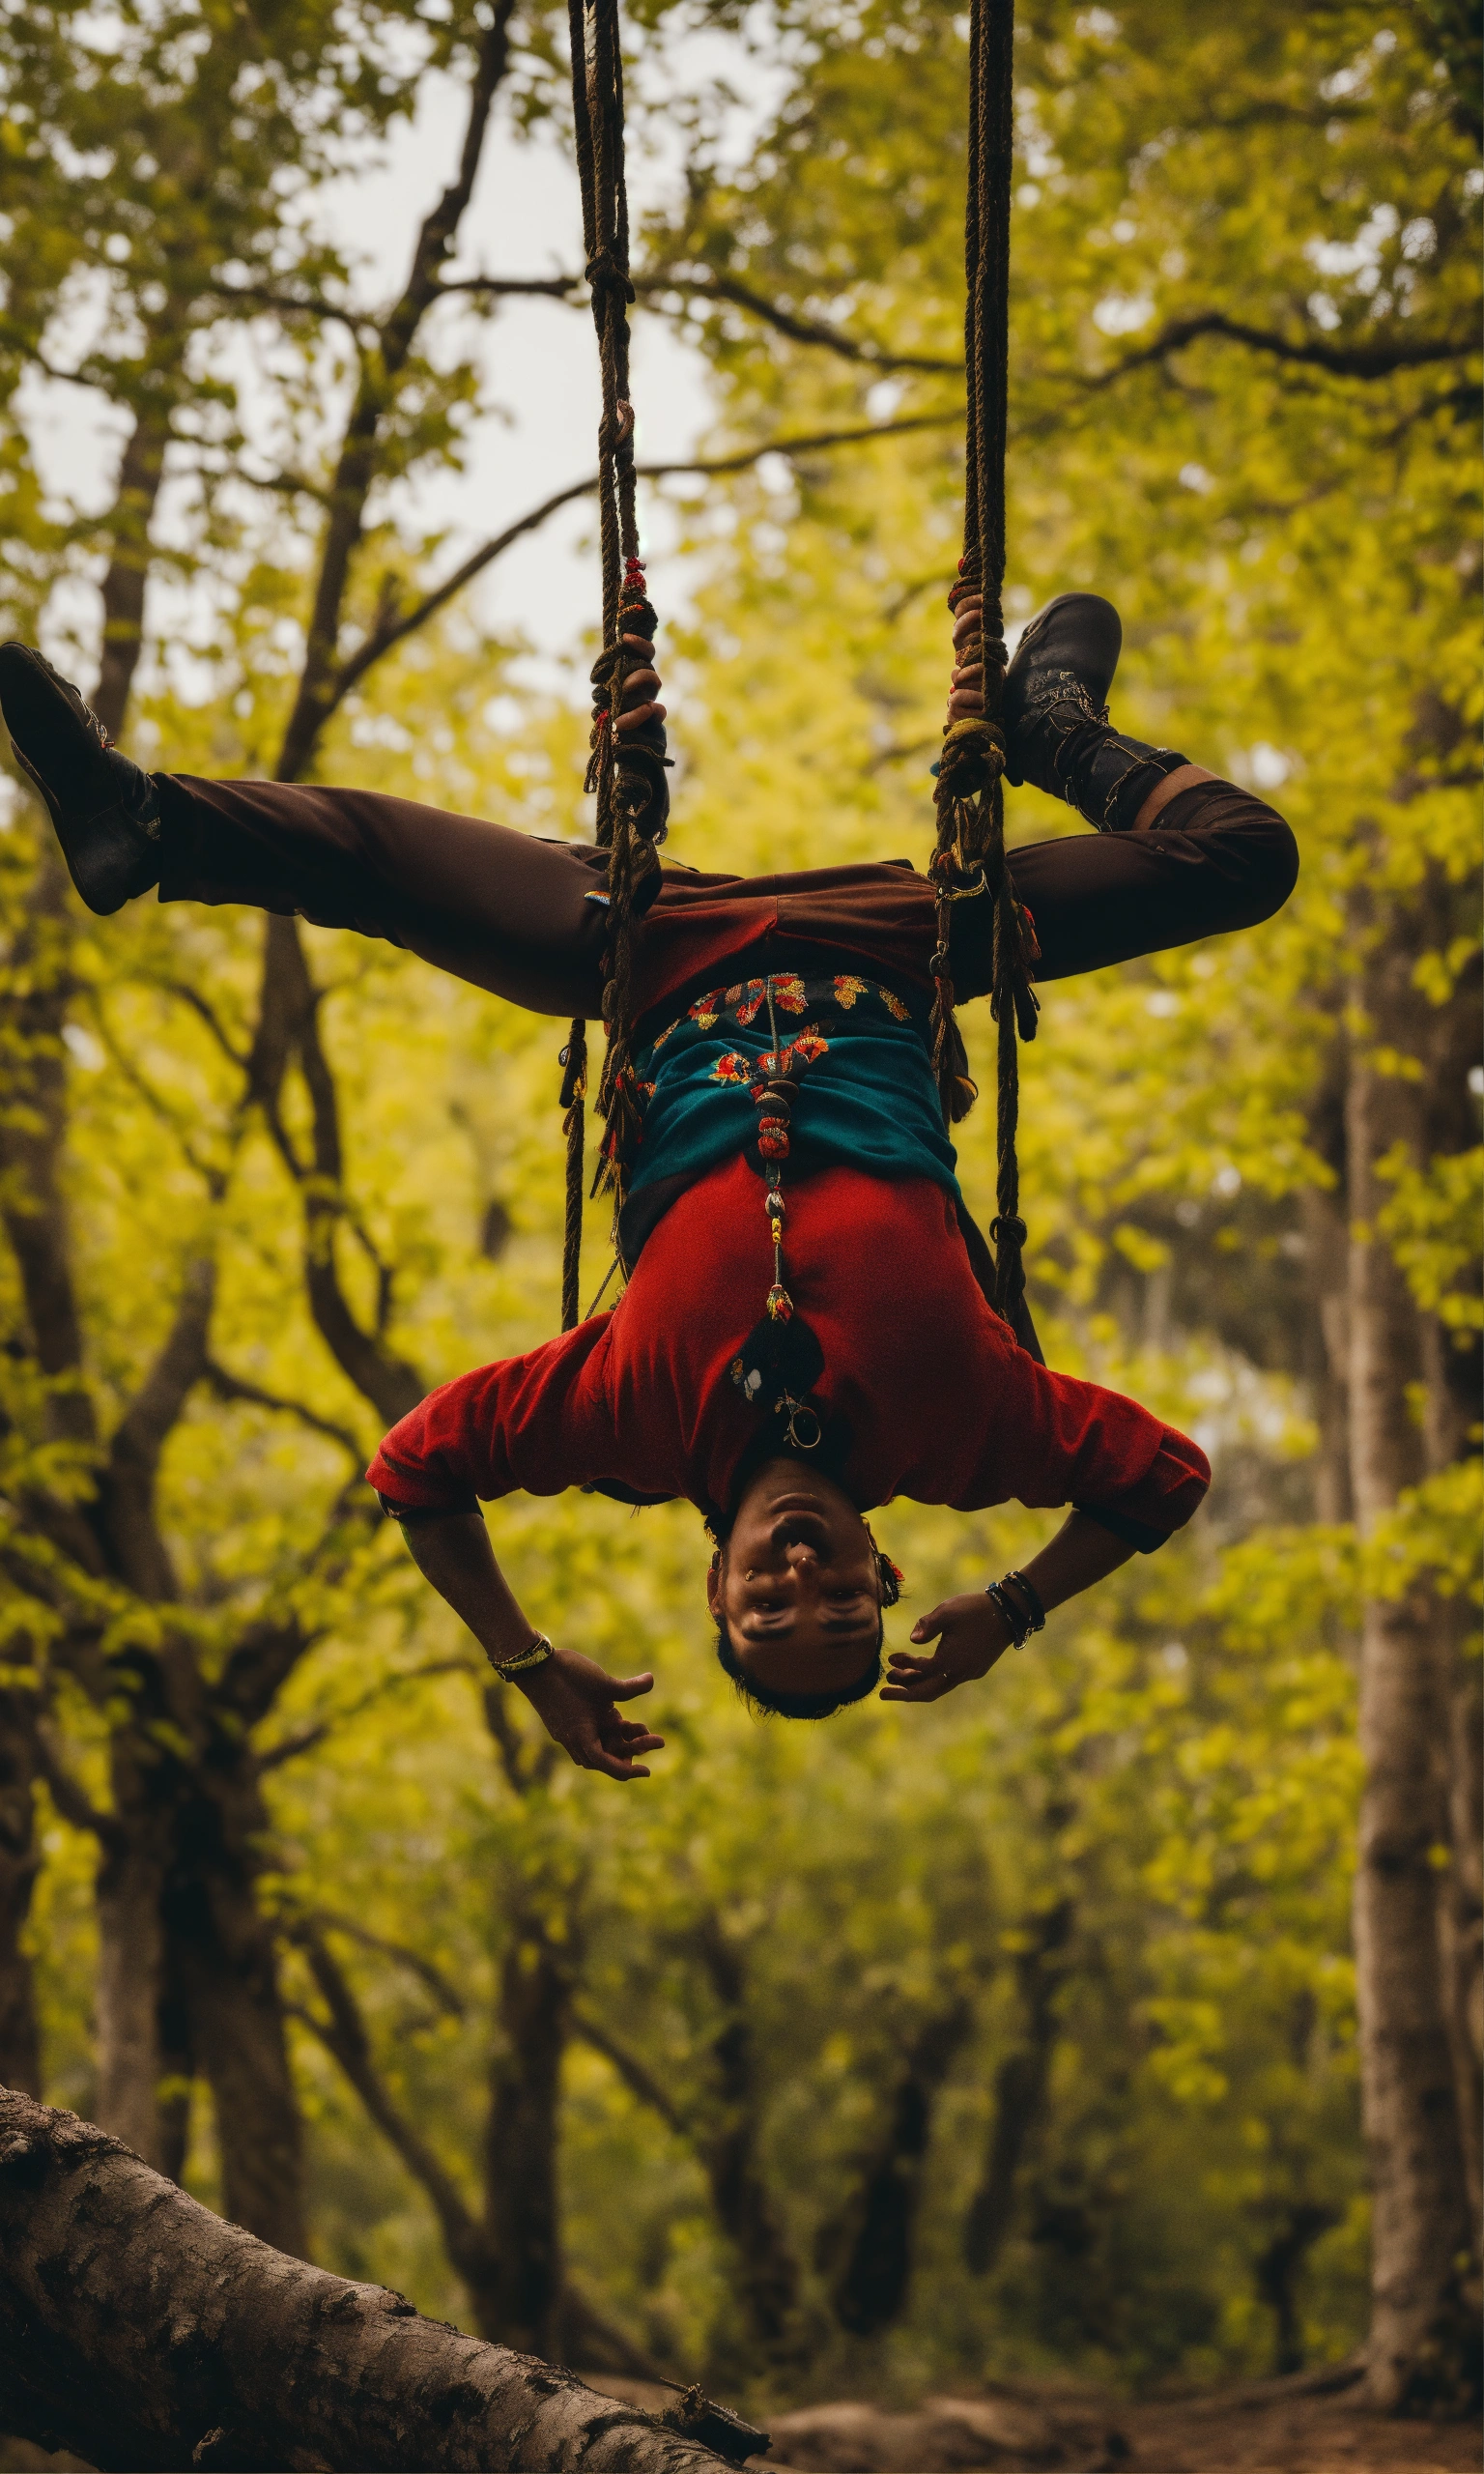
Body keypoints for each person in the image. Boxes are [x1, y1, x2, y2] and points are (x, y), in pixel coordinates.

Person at [0, 585, 1298, 1779]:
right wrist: (1016, 1608)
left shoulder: (624, 1422)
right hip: (903, 943)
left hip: (655, 952)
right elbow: (1161, 1476)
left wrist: (522, 1660)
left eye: (768, 1608)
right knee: (1247, 857)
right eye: (841, 1603)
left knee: (372, 863)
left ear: (719, 1585)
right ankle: (1059, 730)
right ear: (887, 1571)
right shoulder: (966, 1427)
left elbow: (415, 1471)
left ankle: (150, 828)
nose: (801, 1572)